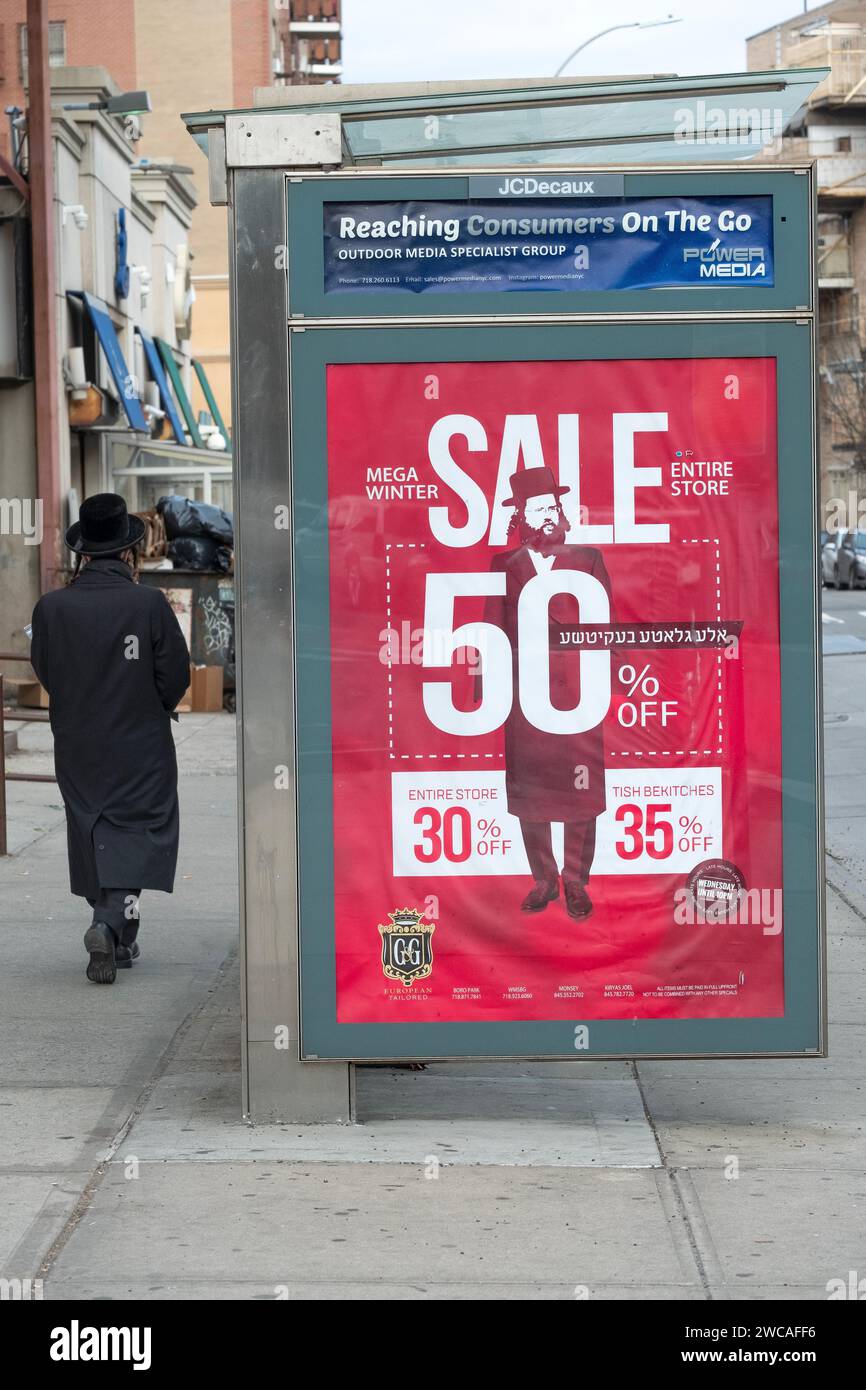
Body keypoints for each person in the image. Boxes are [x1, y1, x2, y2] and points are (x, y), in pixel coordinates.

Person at [30, 493, 190, 983]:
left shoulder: (51, 608)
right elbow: (176, 675)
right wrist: (152, 703)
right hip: (139, 739)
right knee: (143, 826)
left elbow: (46, 670)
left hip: (77, 741)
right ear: (128, 552)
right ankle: (108, 919)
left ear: (84, 552)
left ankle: (118, 933)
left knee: (91, 826)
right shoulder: (148, 604)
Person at [480, 467, 613, 921]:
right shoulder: (504, 566)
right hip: (524, 698)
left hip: (578, 696)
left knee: (581, 790)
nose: (549, 514)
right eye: (538, 508)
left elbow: (604, 628)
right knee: (530, 791)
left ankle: (576, 881)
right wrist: (488, 694)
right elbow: (491, 630)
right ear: (522, 516)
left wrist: (606, 684)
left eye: (553, 506)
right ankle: (543, 879)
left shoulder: (588, 558)